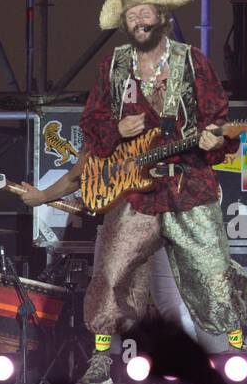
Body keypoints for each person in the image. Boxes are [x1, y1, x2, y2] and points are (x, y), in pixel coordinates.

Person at [73, 0, 247, 384]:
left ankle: (239, 352)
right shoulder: (113, 67)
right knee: (111, 271)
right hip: (136, 191)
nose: (138, 20)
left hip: (188, 185)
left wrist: (212, 138)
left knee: (212, 270)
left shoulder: (193, 61)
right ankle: (101, 360)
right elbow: (91, 123)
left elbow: (217, 118)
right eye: (131, 14)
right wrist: (117, 131)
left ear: (161, 16)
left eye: (144, 12)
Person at [21, 146, 199, 341]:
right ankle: (109, 366)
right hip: (124, 225)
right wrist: (43, 196)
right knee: (111, 300)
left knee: (169, 302)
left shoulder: (167, 128)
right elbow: (79, 175)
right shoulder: (104, 128)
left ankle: (188, 365)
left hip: (161, 221)